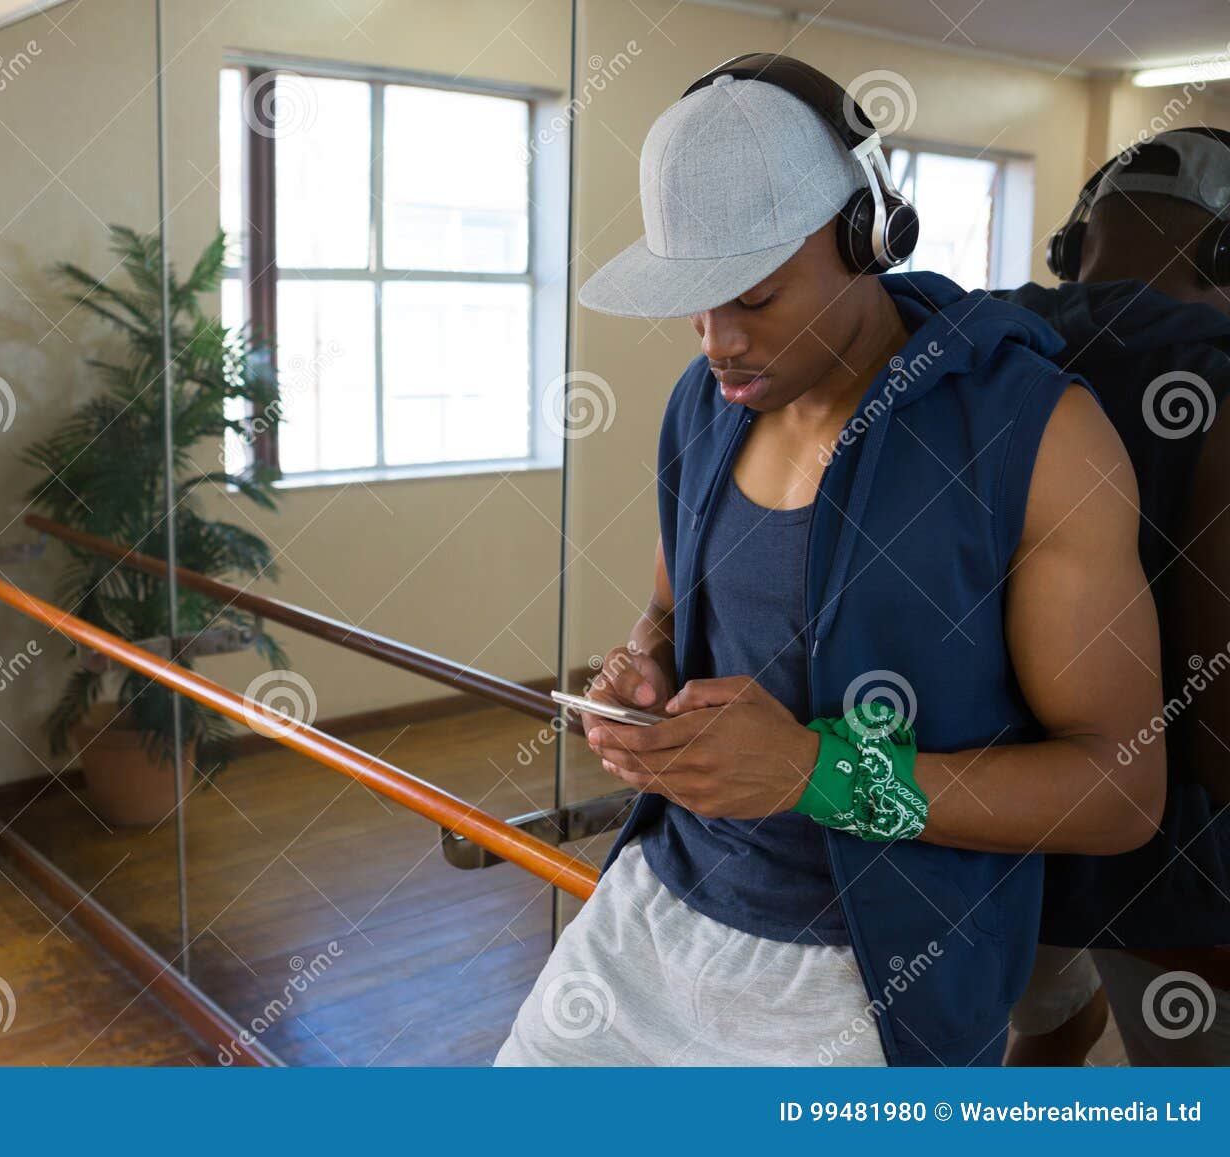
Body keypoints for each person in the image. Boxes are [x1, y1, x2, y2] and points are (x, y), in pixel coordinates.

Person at [493, 53, 1164, 1068]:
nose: (717, 341)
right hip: (655, 905)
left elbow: (1120, 791)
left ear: (866, 236)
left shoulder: (1035, 436)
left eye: (754, 298)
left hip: (874, 967)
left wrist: (819, 774)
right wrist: (641, 670)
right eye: (697, 300)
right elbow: (673, 613)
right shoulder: (704, 408)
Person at [996, 128, 1230, 1066]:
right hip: (1166, 850)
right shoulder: (1215, 378)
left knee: (1051, 1020)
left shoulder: (981, 351)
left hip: (994, 822)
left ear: (1071, 242)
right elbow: (1217, 710)